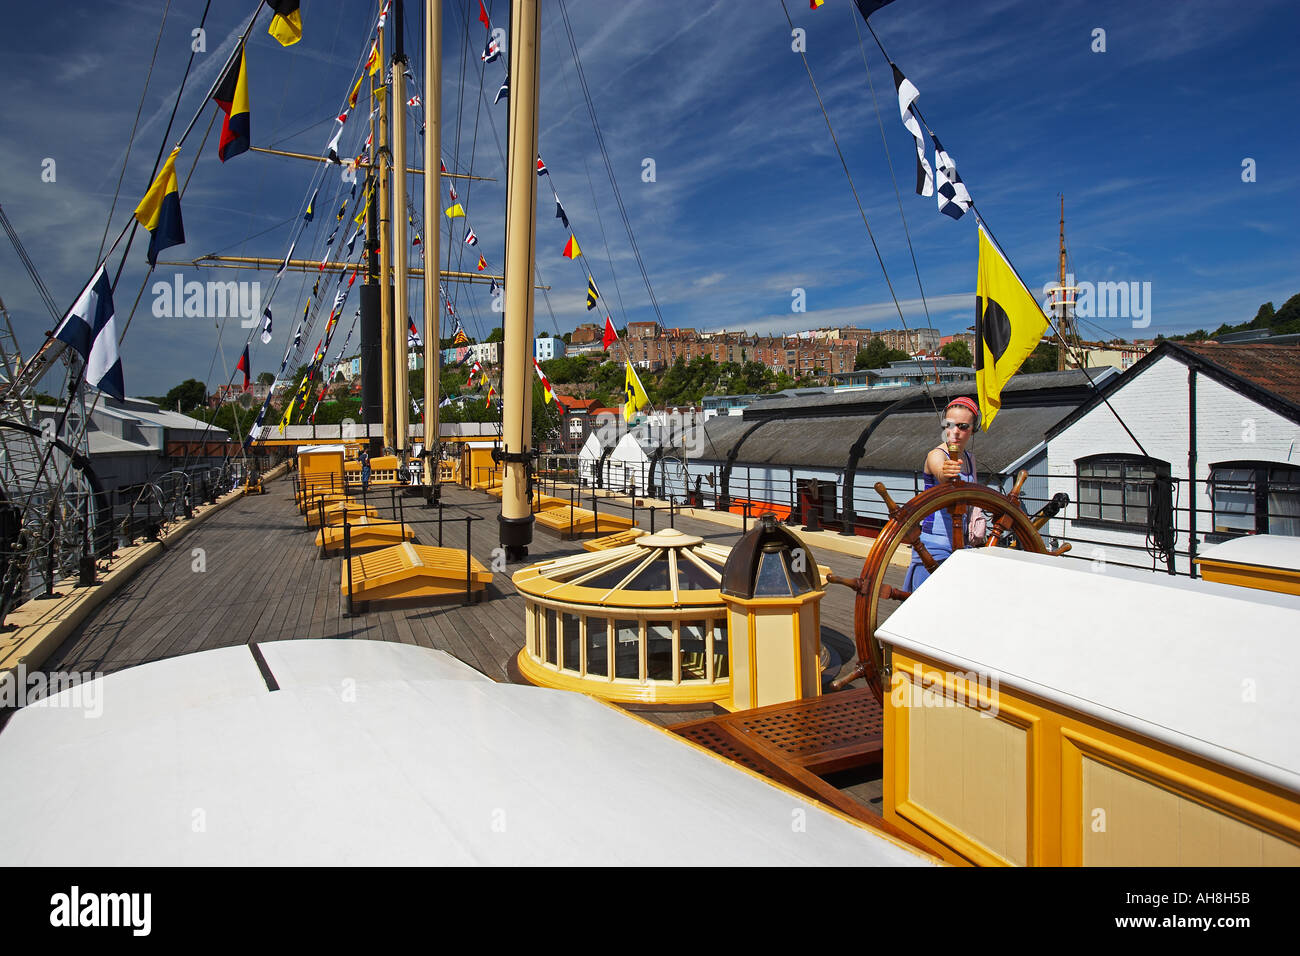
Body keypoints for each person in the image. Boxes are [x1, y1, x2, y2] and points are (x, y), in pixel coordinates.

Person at [903, 396, 981, 592]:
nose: (955, 432)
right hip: (933, 545)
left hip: (961, 542)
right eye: (950, 425)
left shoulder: (970, 459)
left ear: (973, 429)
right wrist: (945, 472)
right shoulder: (936, 455)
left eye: (963, 426)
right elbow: (940, 470)